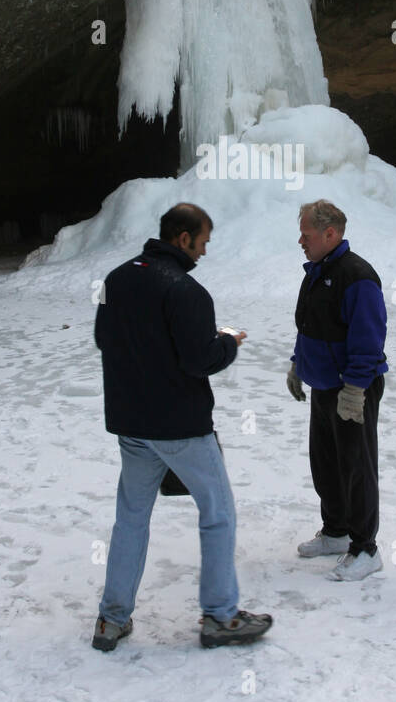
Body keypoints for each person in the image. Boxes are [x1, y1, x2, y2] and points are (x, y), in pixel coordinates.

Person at [92, 202, 273, 650]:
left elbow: (103, 339)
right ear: (183, 238)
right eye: (204, 242)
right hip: (180, 428)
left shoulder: (115, 279)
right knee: (218, 514)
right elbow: (200, 360)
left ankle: (112, 620)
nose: (205, 252)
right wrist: (228, 343)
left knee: (131, 519)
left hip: (130, 424)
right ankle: (220, 616)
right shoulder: (186, 290)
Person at [287, 199, 387, 581]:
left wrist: (355, 389)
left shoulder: (357, 276)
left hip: (352, 389)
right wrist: (299, 363)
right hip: (323, 384)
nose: (301, 240)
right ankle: (336, 531)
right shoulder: (317, 270)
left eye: (306, 233)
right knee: (326, 464)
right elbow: (309, 326)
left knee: (356, 468)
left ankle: (366, 549)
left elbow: (369, 338)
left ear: (330, 234)